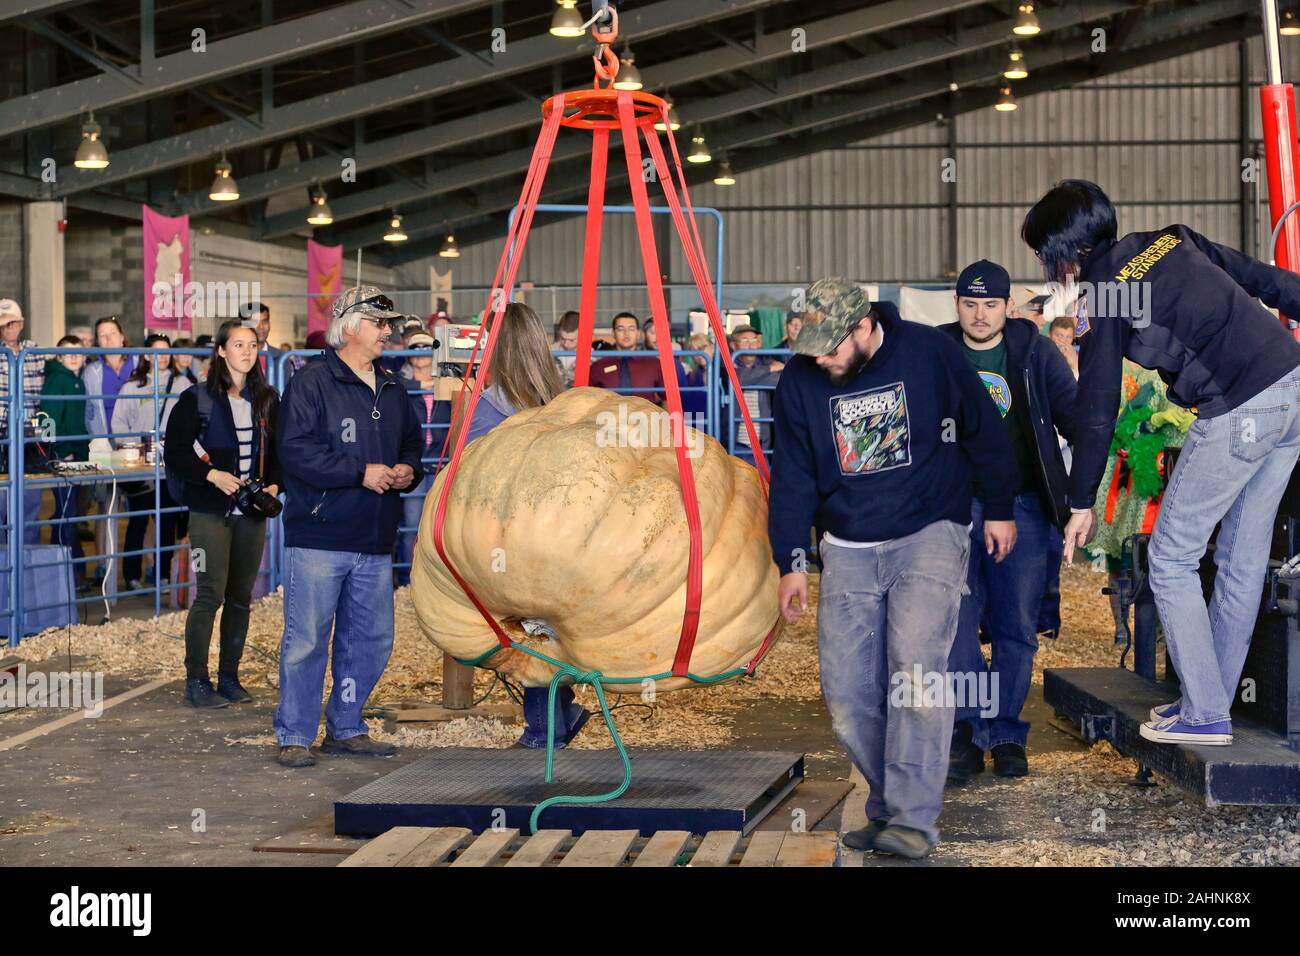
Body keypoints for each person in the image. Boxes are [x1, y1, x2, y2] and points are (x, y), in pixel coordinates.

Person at [1022, 179, 1300, 747]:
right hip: (1292, 388)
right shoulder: (1171, 240)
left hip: (1239, 406)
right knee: (1241, 561)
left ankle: (1204, 711)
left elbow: (1096, 407)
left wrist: (1079, 502)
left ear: (1067, 251)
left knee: (1172, 557)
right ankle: (1211, 704)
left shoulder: (1104, 295)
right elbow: (1265, 281)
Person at [770, 278, 1016, 859]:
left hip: (930, 528)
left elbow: (982, 426)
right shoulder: (802, 380)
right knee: (849, 691)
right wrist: (792, 560)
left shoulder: (928, 352)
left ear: (862, 327)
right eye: (813, 350)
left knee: (915, 671)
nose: (821, 360)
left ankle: (911, 819)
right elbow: (794, 477)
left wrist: (1000, 508)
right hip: (848, 543)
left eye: (831, 348)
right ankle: (889, 801)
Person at [273, 286, 424, 768]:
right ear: (351, 326)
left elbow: (410, 446)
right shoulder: (311, 383)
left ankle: (346, 724)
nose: (388, 331)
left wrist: (407, 471)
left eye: (388, 324)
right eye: (380, 323)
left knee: (370, 639)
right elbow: (294, 451)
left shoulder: (394, 387)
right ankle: (295, 733)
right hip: (320, 533)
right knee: (308, 640)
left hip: (375, 537)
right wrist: (359, 473)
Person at [939, 260, 1077, 783]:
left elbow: (1073, 416)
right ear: (957, 305)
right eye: (970, 304)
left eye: (990, 304)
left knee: (1016, 626)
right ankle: (970, 731)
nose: (979, 314)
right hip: (952, 508)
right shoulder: (937, 351)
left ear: (1007, 306)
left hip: (1022, 505)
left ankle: (1006, 734)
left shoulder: (1034, 353)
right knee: (956, 622)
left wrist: (1083, 492)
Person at [452, 302, 589, 749]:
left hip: (507, 536)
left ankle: (544, 730)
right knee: (549, 629)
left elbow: (465, 476)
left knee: (523, 634)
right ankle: (558, 716)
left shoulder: (485, 410)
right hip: (562, 532)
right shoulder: (562, 402)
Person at [166, 320, 282, 708]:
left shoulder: (266, 399)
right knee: (210, 593)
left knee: (239, 596)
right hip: (209, 510)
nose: (246, 352)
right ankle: (196, 680)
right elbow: (177, 452)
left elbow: (281, 451)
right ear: (221, 351)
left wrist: (274, 485)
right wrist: (212, 474)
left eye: (252, 345)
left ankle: (229, 677)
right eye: (237, 345)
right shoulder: (195, 399)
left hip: (251, 512)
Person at [111, 333, 191, 592]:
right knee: (138, 521)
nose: (163, 356)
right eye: (157, 351)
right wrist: (136, 446)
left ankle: (163, 575)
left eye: (166, 351)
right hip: (140, 467)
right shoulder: (132, 387)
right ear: (146, 355)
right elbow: (118, 424)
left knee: (167, 523)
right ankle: (132, 576)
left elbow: (193, 422)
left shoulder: (182, 384)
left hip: (169, 466)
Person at [82, 316, 135, 583]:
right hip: (106, 443)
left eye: (111, 333)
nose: (107, 339)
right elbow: (91, 410)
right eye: (101, 335)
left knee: (143, 508)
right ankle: (104, 566)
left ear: (122, 335)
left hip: (135, 443)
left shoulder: (138, 364)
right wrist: (99, 442)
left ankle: (146, 566)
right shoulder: (93, 371)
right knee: (106, 506)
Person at [396, 330, 449, 587]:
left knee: (440, 527)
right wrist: (427, 386)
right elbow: (394, 383)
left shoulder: (446, 383)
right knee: (410, 527)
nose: (420, 352)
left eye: (425, 347)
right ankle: (408, 581)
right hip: (414, 465)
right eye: (414, 347)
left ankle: (436, 583)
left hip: (440, 464)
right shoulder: (400, 384)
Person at [40, 335, 89, 582]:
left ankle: (72, 569)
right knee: (65, 513)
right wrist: (60, 449)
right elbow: (46, 418)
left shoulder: (75, 380)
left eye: (78, 352)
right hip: (65, 457)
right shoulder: (57, 380)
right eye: (67, 353)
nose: (73, 357)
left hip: (78, 455)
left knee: (68, 513)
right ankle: (65, 573)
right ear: (59, 356)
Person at [0, 299, 45, 543]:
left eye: (13, 322)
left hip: (30, 435)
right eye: (4, 324)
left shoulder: (34, 351)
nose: (9, 328)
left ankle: (27, 565)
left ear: (22, 323)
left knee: (30, 502)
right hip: (2, 435)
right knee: (1, 502)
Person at [586, 311, 665, 405]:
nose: (626, 334)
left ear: (638, 333)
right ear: (613, 333)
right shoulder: (598, 367)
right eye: (620, 329)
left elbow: (666, 398)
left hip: (645, 418)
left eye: (631, 329)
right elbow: (588, 401)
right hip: (608, 418)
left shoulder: (654, 364)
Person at [729, 324, 783, 453]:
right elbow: (738, 379)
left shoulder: (767, 361)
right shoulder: (726, 362)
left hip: (762, 443)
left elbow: (778, 381)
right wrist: (768, 370)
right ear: (733, 345)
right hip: (735, 442)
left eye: (754, 340)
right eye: (745, 340)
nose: (751, 345)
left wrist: (746, 377)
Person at [553, 310, 579, 388]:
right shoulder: (549, 352)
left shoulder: (592, 357)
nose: (566, 344)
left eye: (572, 340)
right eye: (563, 339)